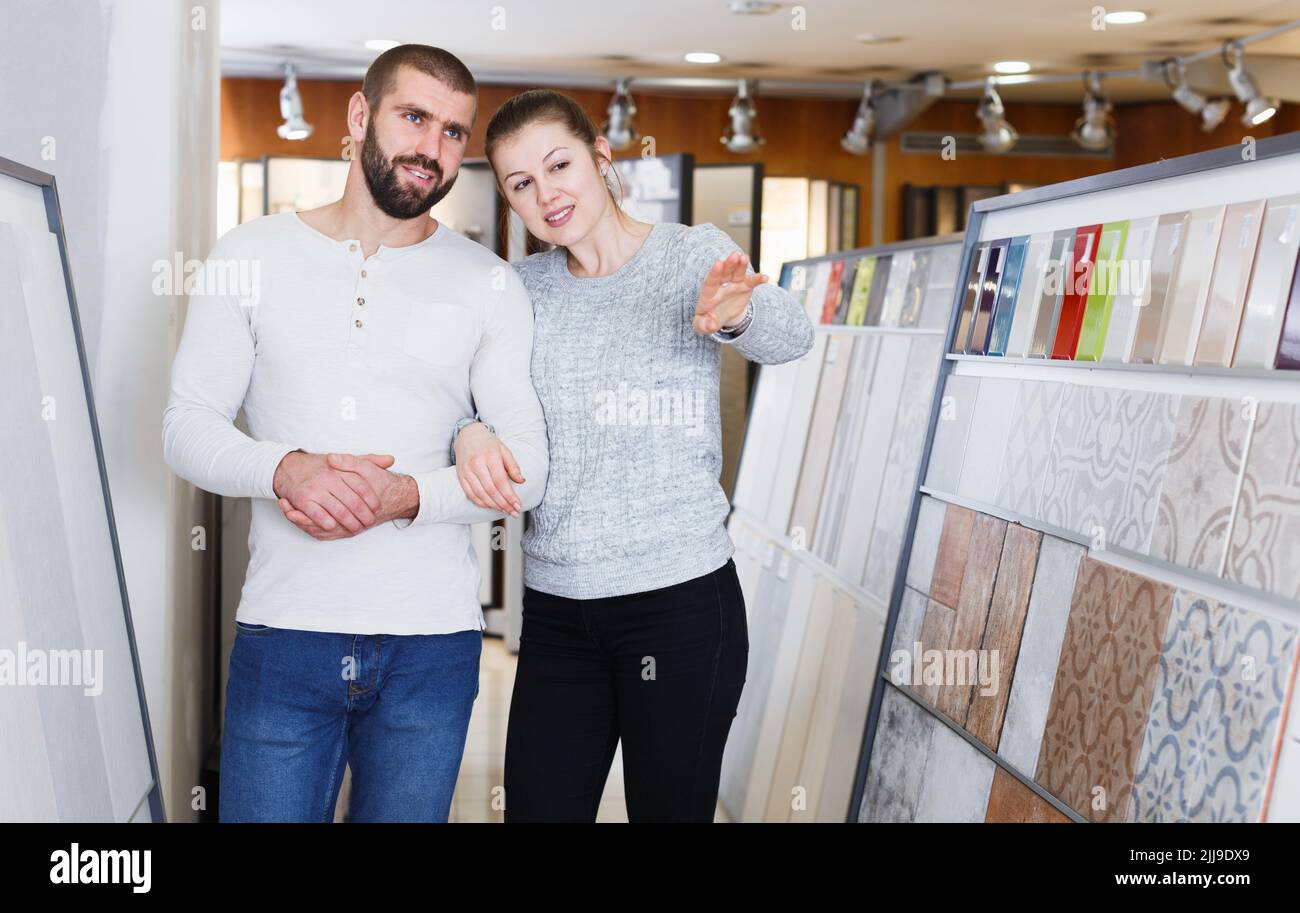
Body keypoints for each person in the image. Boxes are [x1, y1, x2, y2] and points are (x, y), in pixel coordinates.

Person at [162, 44, 547, 822]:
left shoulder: (490, 283)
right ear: (360, 115)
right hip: (285, 634)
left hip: (430, 646)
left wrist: (405, 495)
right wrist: (286, 470)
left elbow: (525, 470)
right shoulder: (250, 255)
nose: (431, 148)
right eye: (414, 117)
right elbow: (186, 427)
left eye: (452, 132)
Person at [458, 88, 815, 822]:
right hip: (559, 615)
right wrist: (469, 432)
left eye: (559, 165)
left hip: (682, 607)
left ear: (602, 156)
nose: (546, 192)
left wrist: (738, 313)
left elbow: (792, 336)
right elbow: (465, 397)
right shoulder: (518, 291)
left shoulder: (692, 254)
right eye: (521, 184)